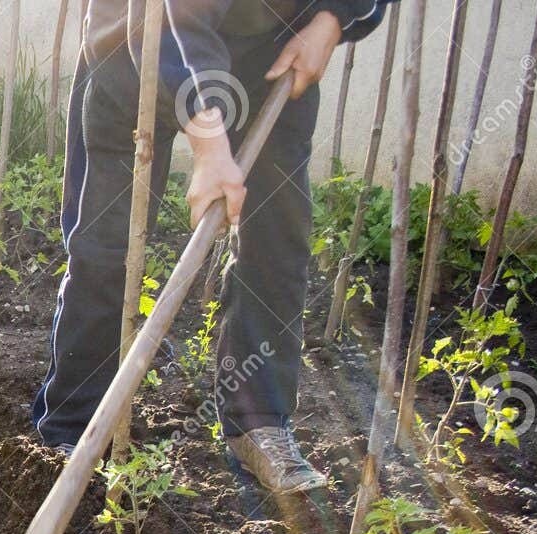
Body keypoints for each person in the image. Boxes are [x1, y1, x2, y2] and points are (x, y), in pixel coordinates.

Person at [32, 1, 395, 494]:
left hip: (272, 46)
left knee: (277, 233)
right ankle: (74, 426)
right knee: (106, 240)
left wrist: (331, 19)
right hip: (138, 34)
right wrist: (209, 144)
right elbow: (172, 18)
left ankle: (259, 421)